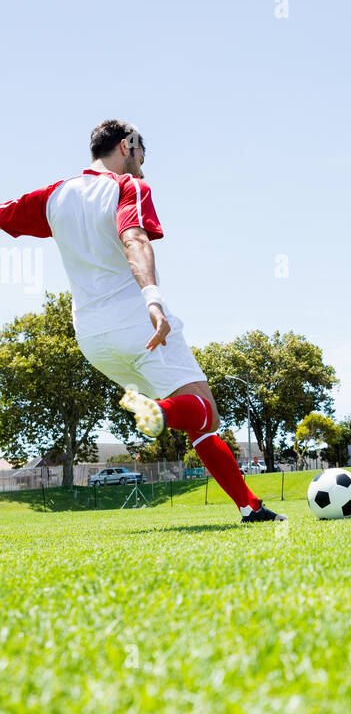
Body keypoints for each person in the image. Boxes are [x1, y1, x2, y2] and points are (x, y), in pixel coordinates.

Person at [0, 119, 285, 522]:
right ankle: (162, 412)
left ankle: (250, 507)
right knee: (205, 410)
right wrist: (153, 299)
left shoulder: (55, 196)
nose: (143, 170)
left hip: (93, 341)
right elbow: (134, 237)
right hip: (139, 325)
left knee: (200, 417)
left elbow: (5, 215)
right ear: (126, 146)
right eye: (141, 157)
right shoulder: (127, 187)